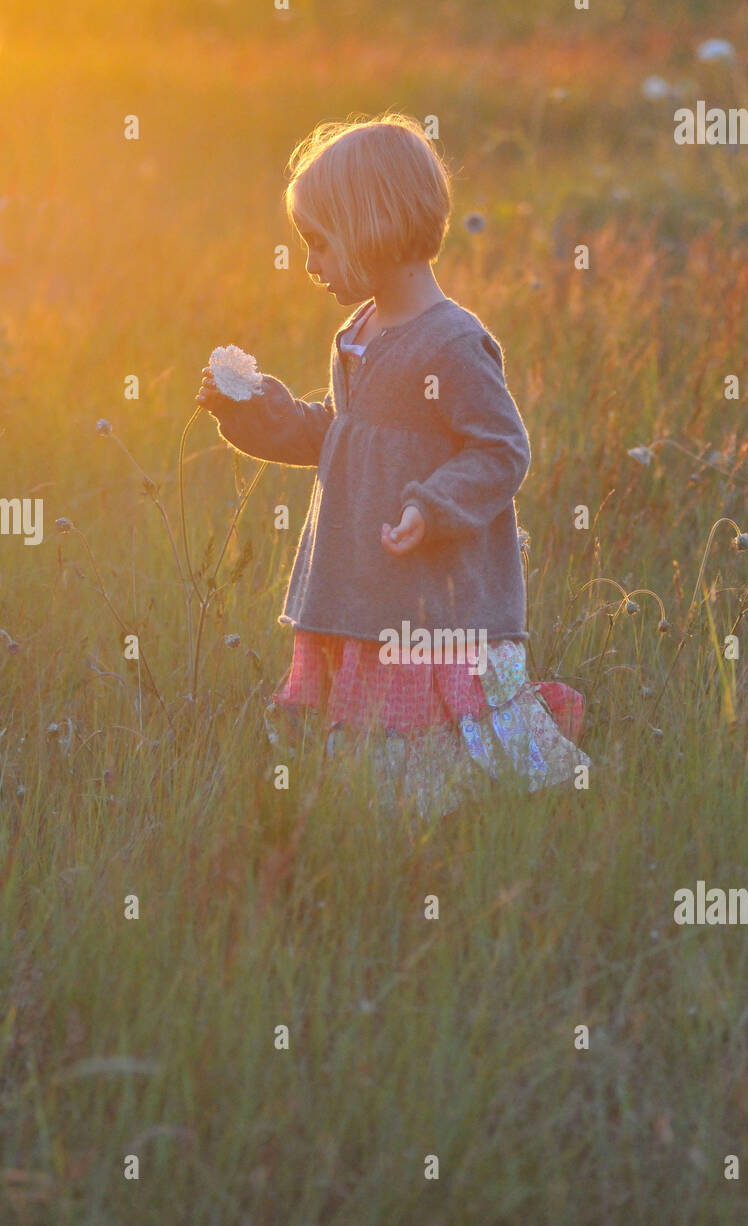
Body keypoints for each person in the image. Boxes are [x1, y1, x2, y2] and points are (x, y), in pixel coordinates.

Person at [197, 112, 588, 821]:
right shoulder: (358, 334)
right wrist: (255, 414)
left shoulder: (452, 342)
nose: (310, 263)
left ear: (374, 226)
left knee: (434, 757)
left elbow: (501, 449)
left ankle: (456, 843)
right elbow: (343, 435)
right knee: (370, 765)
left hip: (431, 600)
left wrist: (432, 504)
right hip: (359, 590)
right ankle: (377, 842)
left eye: (319, 243)